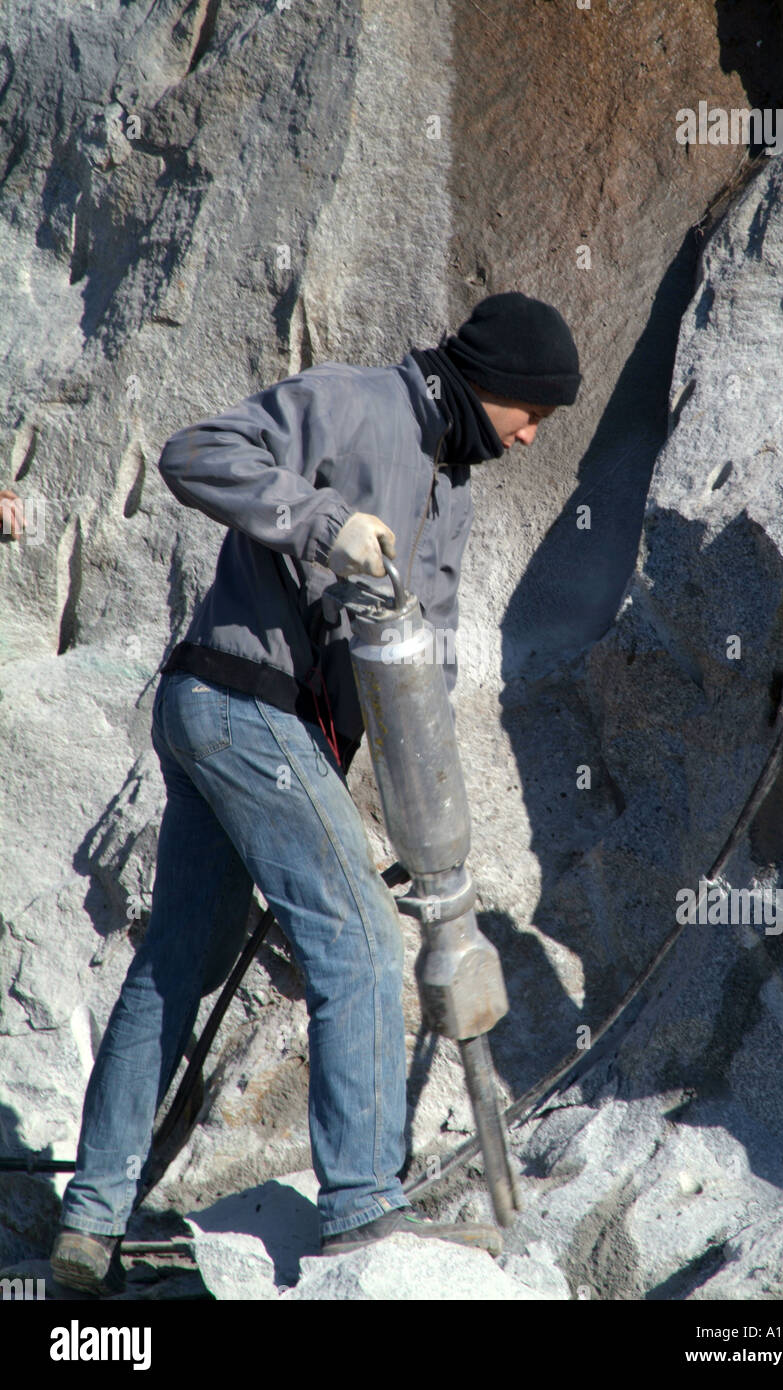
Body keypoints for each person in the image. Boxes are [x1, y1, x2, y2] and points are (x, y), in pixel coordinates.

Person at [50, 292, 581, 1294]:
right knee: (361, 941)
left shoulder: (452, 493)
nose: (531, 434)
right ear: (496, 381)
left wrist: (432, 828)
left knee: (179, 960)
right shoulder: (352, 404)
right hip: (241, 701)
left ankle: (89, 1223)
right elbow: (193, 453)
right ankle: (362, 1208)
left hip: (245, 723)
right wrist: (324, 523)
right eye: (535, 412)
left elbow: (425, 669)